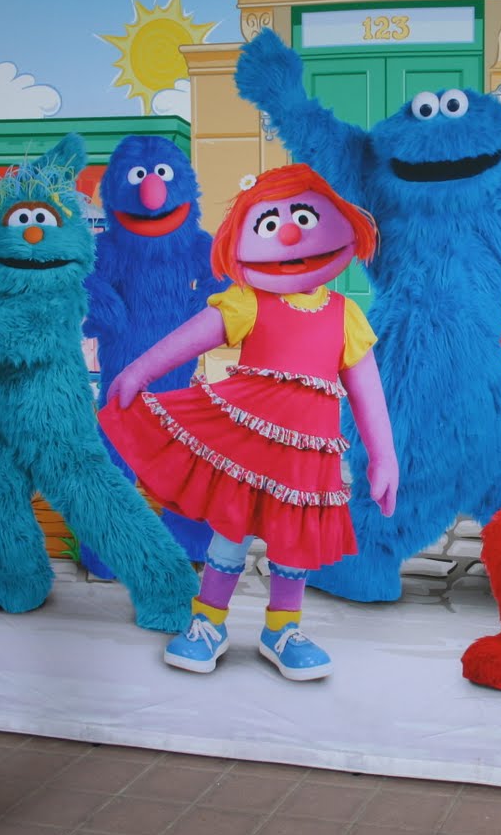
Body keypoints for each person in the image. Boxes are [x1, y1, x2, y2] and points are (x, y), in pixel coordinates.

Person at [100, 164, 398, 681]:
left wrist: (384, 455)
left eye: (303, 218)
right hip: (244, 448)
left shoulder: (344, 314)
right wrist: (136, 372)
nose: (287, 234)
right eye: (270, 223)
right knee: (228, 538)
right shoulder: (246, 301)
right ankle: (208, 622)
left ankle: (283, 629)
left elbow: (368, 392)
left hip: (307, 462)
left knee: (292, 545)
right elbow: (187, 339)